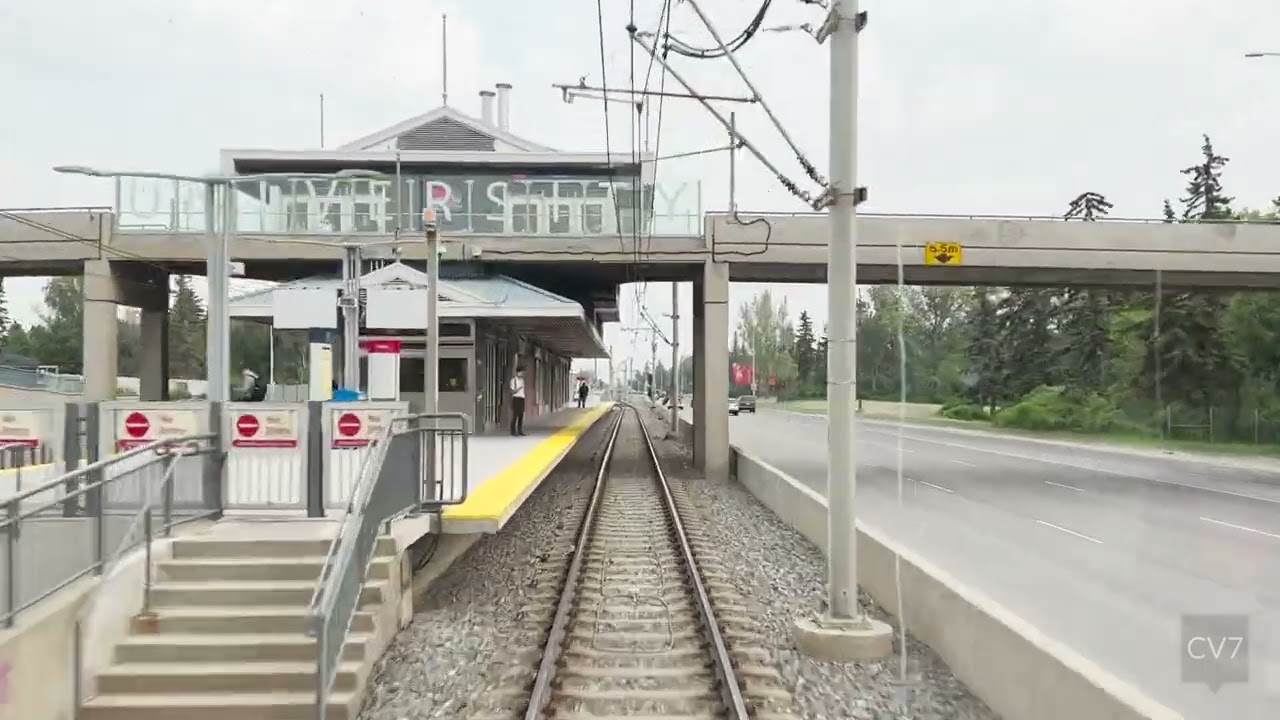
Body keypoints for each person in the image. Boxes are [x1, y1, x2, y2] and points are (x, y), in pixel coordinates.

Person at [510, 365, 526, 436]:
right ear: (517, 372)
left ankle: (520, 430)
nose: (522, 373)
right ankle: (513, 431)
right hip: (516, 398)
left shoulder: (522, 380)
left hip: (522, 398)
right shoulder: (513, 380)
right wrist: (519, 388)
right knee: (515, 415)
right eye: (521, 372)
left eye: (523, 372)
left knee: (521, 415)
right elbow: (512, 391)